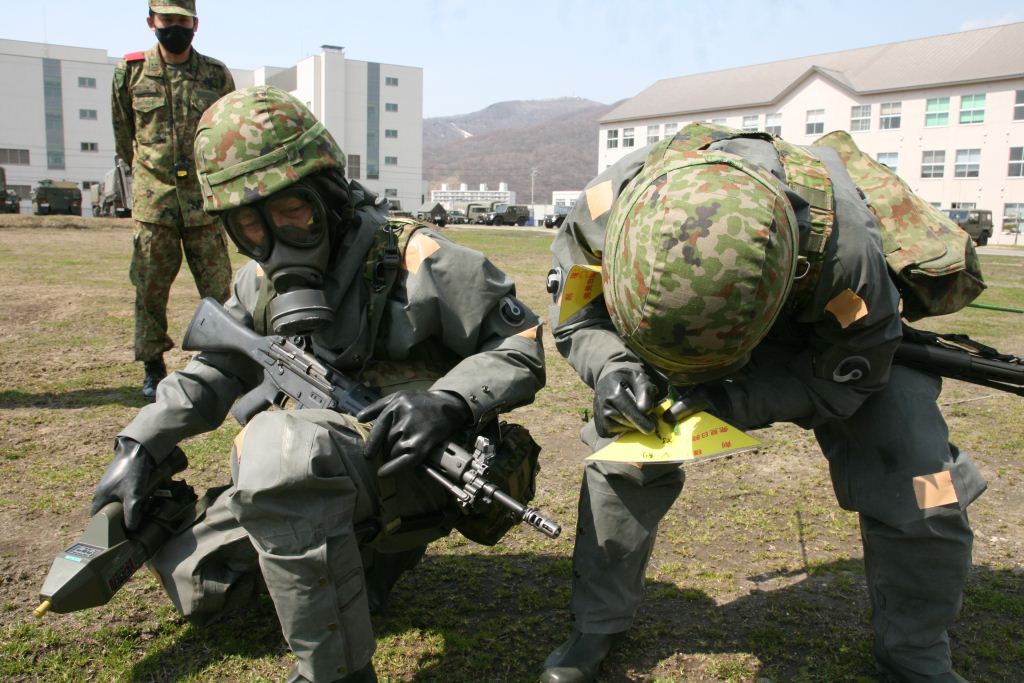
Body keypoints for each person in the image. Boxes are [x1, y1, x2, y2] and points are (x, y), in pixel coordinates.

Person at [90, 86, 546, 682]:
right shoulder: (260, 282)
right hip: (314, 471)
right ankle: (348, 557)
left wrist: (447, 400)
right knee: (199, 583)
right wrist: (139, 444)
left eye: (292, 211)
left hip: (408, 470)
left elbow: (521, 342)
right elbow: (214, 371)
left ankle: (337, 669)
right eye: (249, 225)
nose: (273, 238)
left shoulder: (421, 260)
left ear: (329, 192)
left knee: (279, 454)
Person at [541, 123, 986, 683]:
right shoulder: (606, 207)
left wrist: (733, 398)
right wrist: (613, 367)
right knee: (621, 458)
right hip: (669, 339)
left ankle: (916, 652)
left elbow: (854, 372)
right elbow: (577, 316)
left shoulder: (849, 254)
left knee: (926, 486)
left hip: (820, 339)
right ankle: (597, 626)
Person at [112, 0, 235, 400]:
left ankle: (228, 361)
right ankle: (153, 367)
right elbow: (123, 134)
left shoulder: (215, 74)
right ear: (152, 22)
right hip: (155, 204)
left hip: (203, 204)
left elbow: (227, 132)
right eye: (167, 20)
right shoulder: (129, 73)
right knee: (149, 291)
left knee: (220, 291)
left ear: (195, 24)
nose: (175, 27)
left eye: (182, 20)